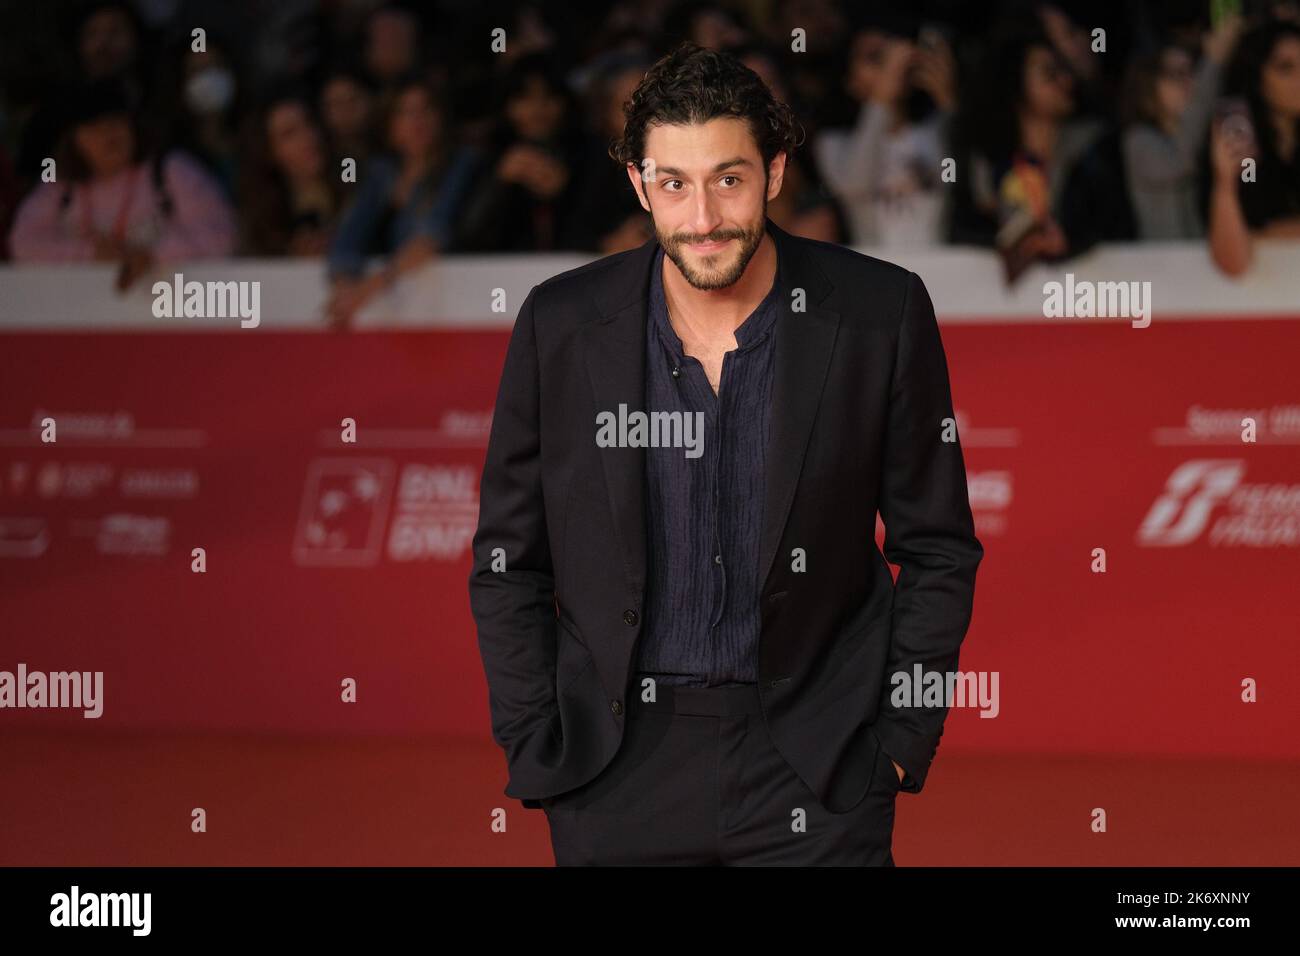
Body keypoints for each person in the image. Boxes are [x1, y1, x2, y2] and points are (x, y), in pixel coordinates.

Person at [468, 42, 983, 866]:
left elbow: (937, 546)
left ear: (776, 172)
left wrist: (897, 739)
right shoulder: (560, 325)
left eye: (729, 178)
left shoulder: (879, 312)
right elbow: (508, 560)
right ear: (639, 184)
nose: (703, 217)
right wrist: (537, 739)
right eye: (673, 183)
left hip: (816, 767)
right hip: (615, 774)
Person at [8, 78, 236, 287]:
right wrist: (91, 254)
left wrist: (154, 257)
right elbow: (23, 244)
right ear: (74, 139)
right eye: (95, 127)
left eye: (116, 122)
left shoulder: (171, 169)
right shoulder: (58, 184)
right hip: (81, 316)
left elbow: (220, 234)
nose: (109, 134)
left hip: (168, 313)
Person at [324, 78, 478, 327]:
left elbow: (431, 236)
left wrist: (369, 288)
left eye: (426, 109)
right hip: (393, 307)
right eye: (406, 112)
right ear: (391, 124)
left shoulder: (460, 164)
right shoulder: (381, 172)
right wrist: (344, 285)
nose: (418, 121)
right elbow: (349, 236)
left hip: (448, 304)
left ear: (441, 117)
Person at [1121, 16, 1241, 239]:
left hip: (1200, 264)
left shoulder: (1201, 135)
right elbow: (1179, 161)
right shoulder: (1138, 140)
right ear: (1147, 85)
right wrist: (1213, 62)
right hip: (1159, 268)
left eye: (1192, 73)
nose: (1190, 83)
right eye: (1177, 74)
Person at [1208, 18, 1300, 276]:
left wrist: (1265, 235)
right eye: (1286, 67)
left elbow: (1256, 235)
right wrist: (1225, 184)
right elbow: (1234, 262)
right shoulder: (1239, 143)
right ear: (1257, 76)